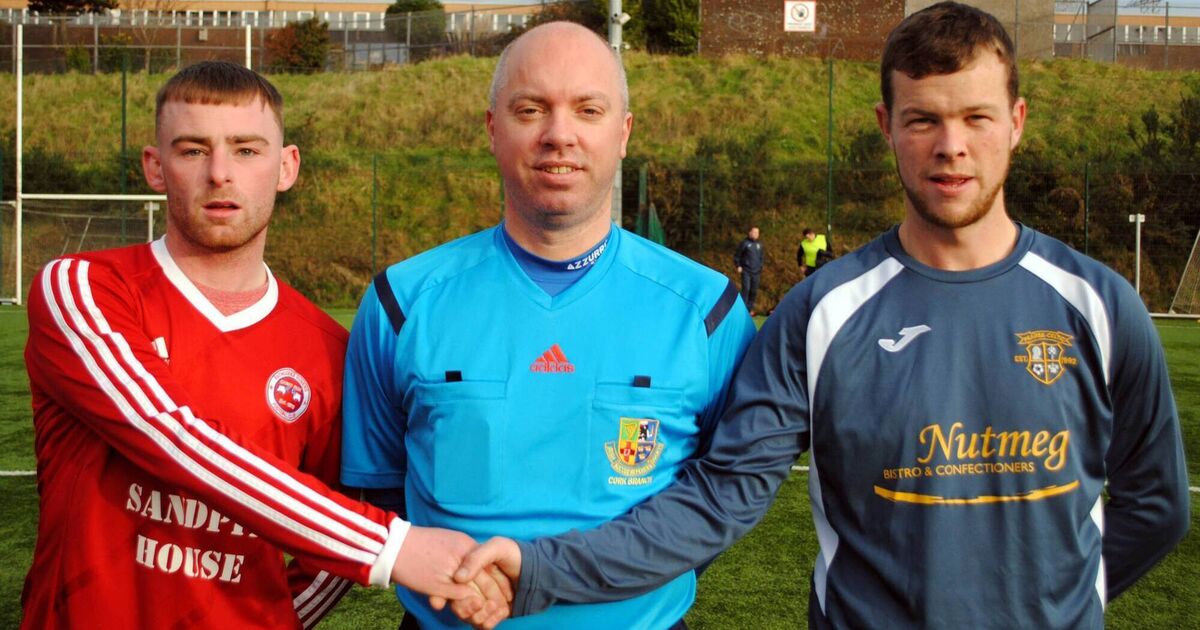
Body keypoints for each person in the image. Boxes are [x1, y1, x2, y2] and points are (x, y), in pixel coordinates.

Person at [456, 3, 1190, 628]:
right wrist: (539, 566)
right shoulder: (821, 312)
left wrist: (1065, 600)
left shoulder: (1100, 305)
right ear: (886, 125)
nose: (952, 146)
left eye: (976, 117)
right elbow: (720, 498)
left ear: (1017, 121)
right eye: (923, 119)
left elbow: (1155, 505)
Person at [21, 61, 509, 629]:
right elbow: (166, 431)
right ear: (155, 167)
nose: (220, 173)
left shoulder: (327, 350)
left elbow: (349, 508)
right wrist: (392, 549)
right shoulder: (80, 286)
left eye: (247, 150)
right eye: (192, 150)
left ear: (286, 166)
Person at [340, 21, 756, 630]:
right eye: (531, 109)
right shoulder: (400, 303)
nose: (559, 135)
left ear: (624, 133)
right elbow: (379, 497)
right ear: (491, 129)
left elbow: (721, 500)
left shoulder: (707, 309)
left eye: (588, 110)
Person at [733, 226, 764, 314]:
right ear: (749, 233)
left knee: (753, 291)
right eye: (754, 232)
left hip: (756, 272)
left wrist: (760, 266)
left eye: (757, 233)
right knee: (746, 289)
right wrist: (738, 265)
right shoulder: (744, 243)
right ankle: (742, 310)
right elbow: (737, 256)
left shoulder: (760, 244)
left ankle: (749, 310)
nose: (755, 234)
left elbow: (761, 257)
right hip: (746, 271)